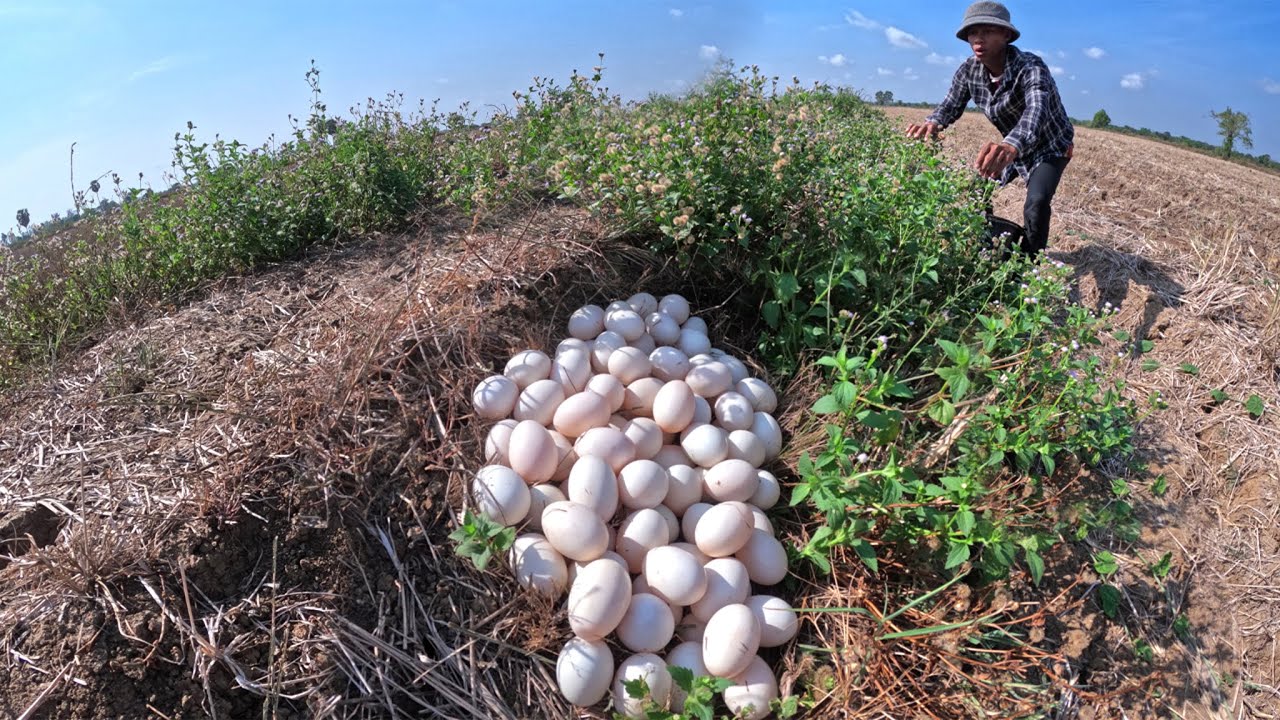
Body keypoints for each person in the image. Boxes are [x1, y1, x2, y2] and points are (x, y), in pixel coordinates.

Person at [906, 1, 1074, 255]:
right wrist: (933, 123)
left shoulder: (1031, 67)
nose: (978, 39)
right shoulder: (968, 71)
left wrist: (1010, 145)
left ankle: (1029, 264)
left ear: (1006, 35)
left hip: (1050, 146)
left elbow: (1036, 111)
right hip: (1012, 146)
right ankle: (983, 243)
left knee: (1036, 202)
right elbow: (951, 105)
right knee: (977, 191)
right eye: (973, 32)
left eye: (987, 31)